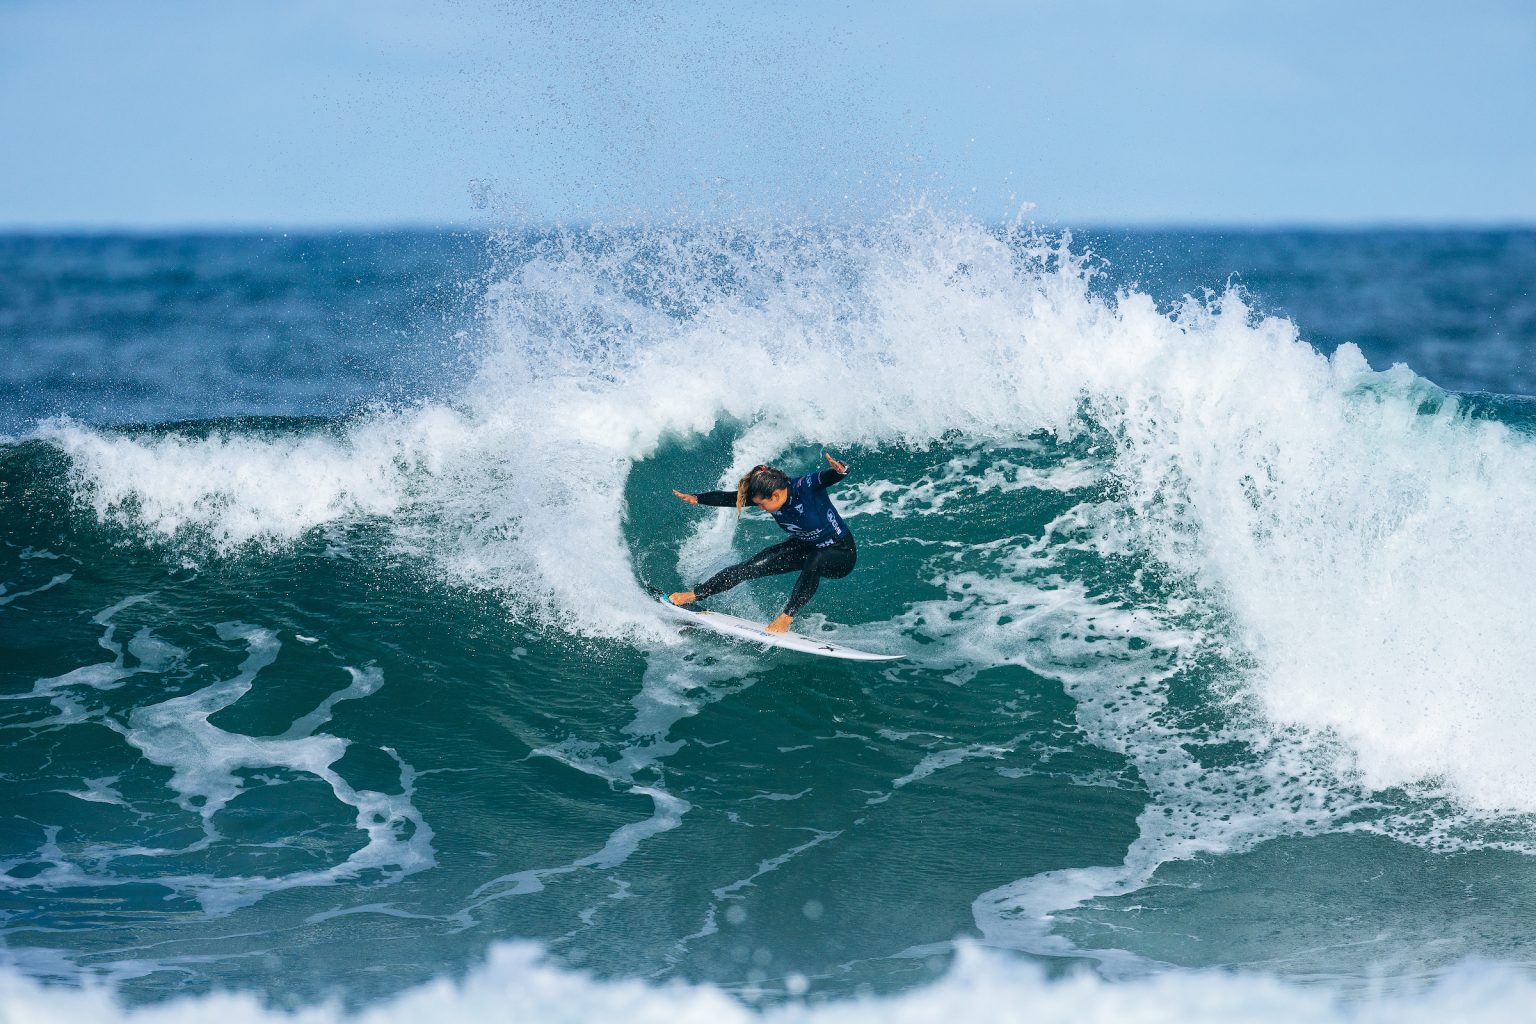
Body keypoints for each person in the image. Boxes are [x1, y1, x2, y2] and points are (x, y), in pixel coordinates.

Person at [669, 453, 856, 634]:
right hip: (805, 546)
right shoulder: (766, 494)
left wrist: (840, 470)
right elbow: (730, 498)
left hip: (840, 553)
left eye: (761, 504)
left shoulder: (805, 486)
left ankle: (785, 618)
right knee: (749, 567)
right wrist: (698, 498)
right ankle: (694, 594)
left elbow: (832, 476)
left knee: (816, 559)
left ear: (775, 495)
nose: (760, 508)